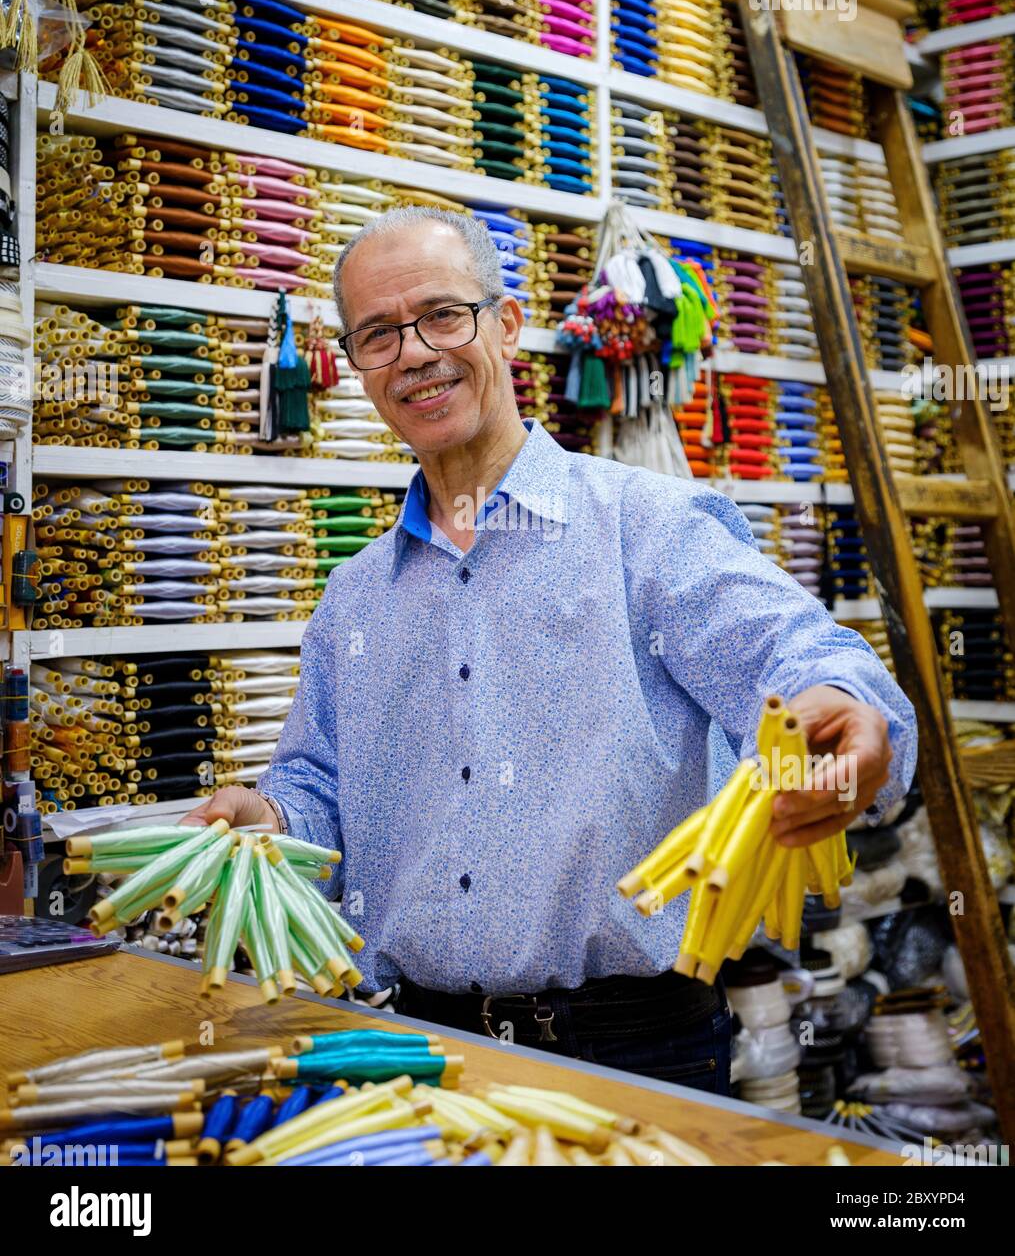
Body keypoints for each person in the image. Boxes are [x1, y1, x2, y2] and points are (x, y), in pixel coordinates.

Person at [184, 207, 917, 1093]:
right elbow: (318, 787)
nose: (414, 352)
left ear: (509, 325)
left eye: (443, 316)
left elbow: (801, 659)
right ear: (357, 366)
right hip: (413, 1057)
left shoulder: (644, 529)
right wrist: (272, 822)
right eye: (378, 334)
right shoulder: (355, 597)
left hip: (633, 1054)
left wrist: (848, 723)